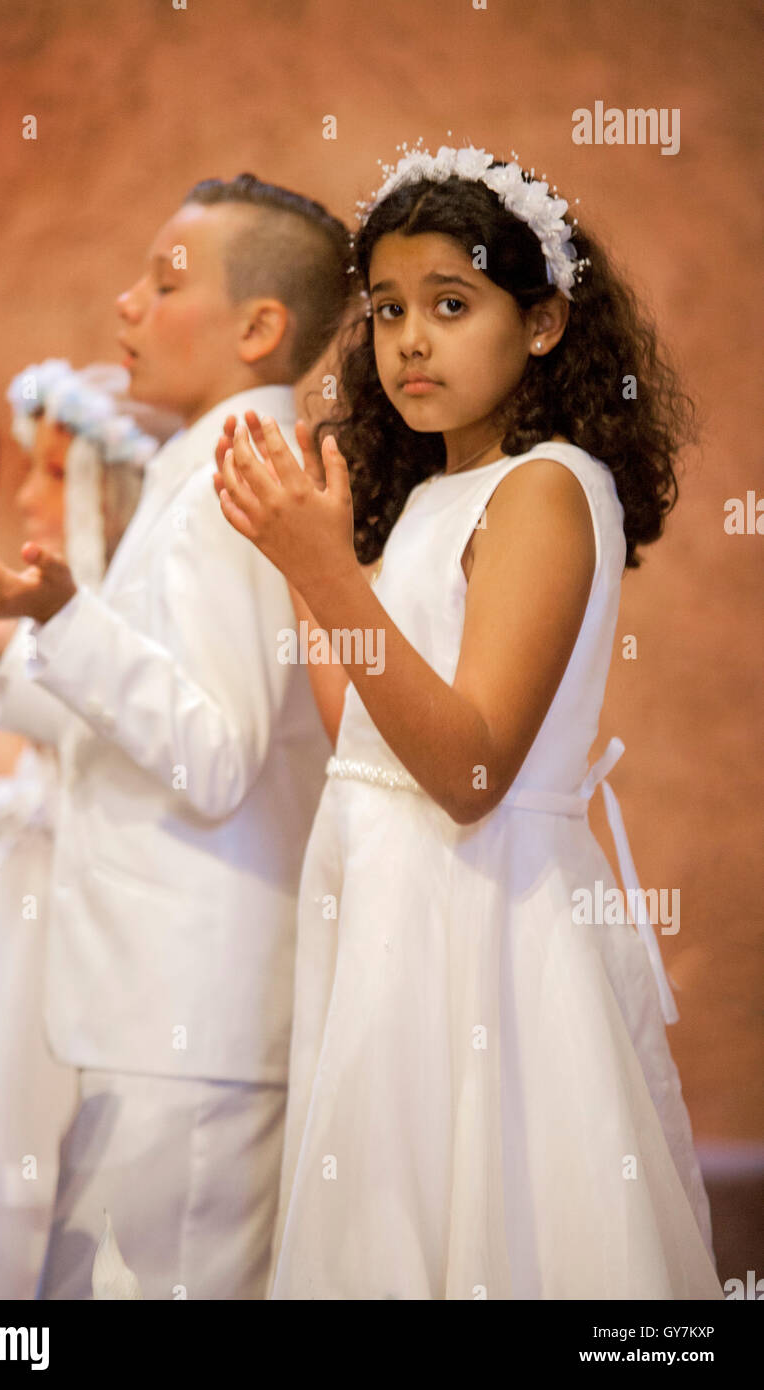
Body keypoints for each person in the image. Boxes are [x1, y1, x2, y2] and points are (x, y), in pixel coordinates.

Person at [213, 144, 724, 1299]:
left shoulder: (545, 486)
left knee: (492, 1222)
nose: (408, 340)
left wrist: (330, 578)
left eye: (451, 304)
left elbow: (471, 768)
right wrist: (310, 565)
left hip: (481, 909)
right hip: (390, 887)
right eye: (386, 308)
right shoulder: (432, 498)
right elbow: (361, 726)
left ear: (540, 324)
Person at [0, 176, 353, 1299]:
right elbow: (124, 710)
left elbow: (212, 752)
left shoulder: (238, 473)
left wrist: (60, 616)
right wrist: (17, 630)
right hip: (158, 1003)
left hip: (192, 1008)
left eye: (164, 281)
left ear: (259, 327)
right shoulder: (197, 462)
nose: (125, 305)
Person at [0, 360, 174, 1299]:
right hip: (9, 917)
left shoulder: (82, 622)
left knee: (44, 1194)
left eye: (57, 474)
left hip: (48, 918)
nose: (33, 497)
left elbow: (13, 785)